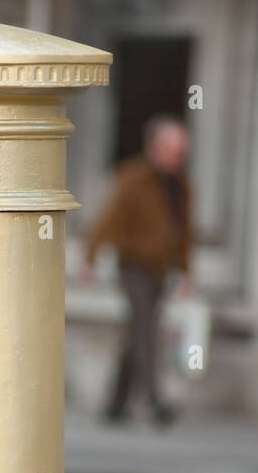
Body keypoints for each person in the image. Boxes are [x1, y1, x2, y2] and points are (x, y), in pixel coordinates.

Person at [81, 115, 192, 426]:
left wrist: (185, 270)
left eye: (181, 152)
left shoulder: (180, 186)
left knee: (137, 332)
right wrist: (89, 259)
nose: (177, 158)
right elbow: (106, 220)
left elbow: (184, 232)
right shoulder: (133, 179)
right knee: (145, 329)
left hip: (160, 269)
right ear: (155, 148)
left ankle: (116, 403)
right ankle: (155, 399)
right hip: (133, 266)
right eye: (173, 151)